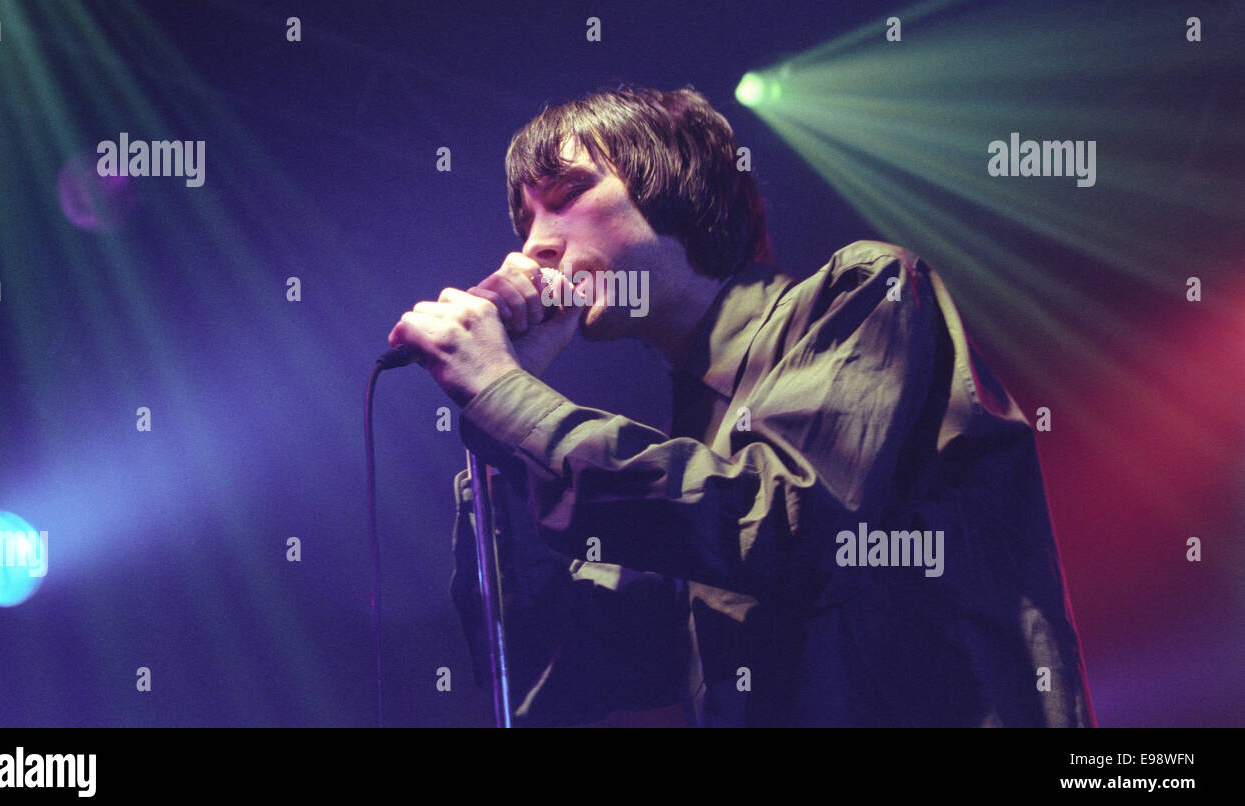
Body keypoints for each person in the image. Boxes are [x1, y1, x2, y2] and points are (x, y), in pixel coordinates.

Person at [387, 84, 1095, 727]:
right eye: (524, 216)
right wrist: (499, 425)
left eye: (568, 191)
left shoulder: (865, 289)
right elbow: (559, 677)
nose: (534, 241)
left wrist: (507, 400)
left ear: (678, 185)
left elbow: (787, 523)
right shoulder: (688, 451)